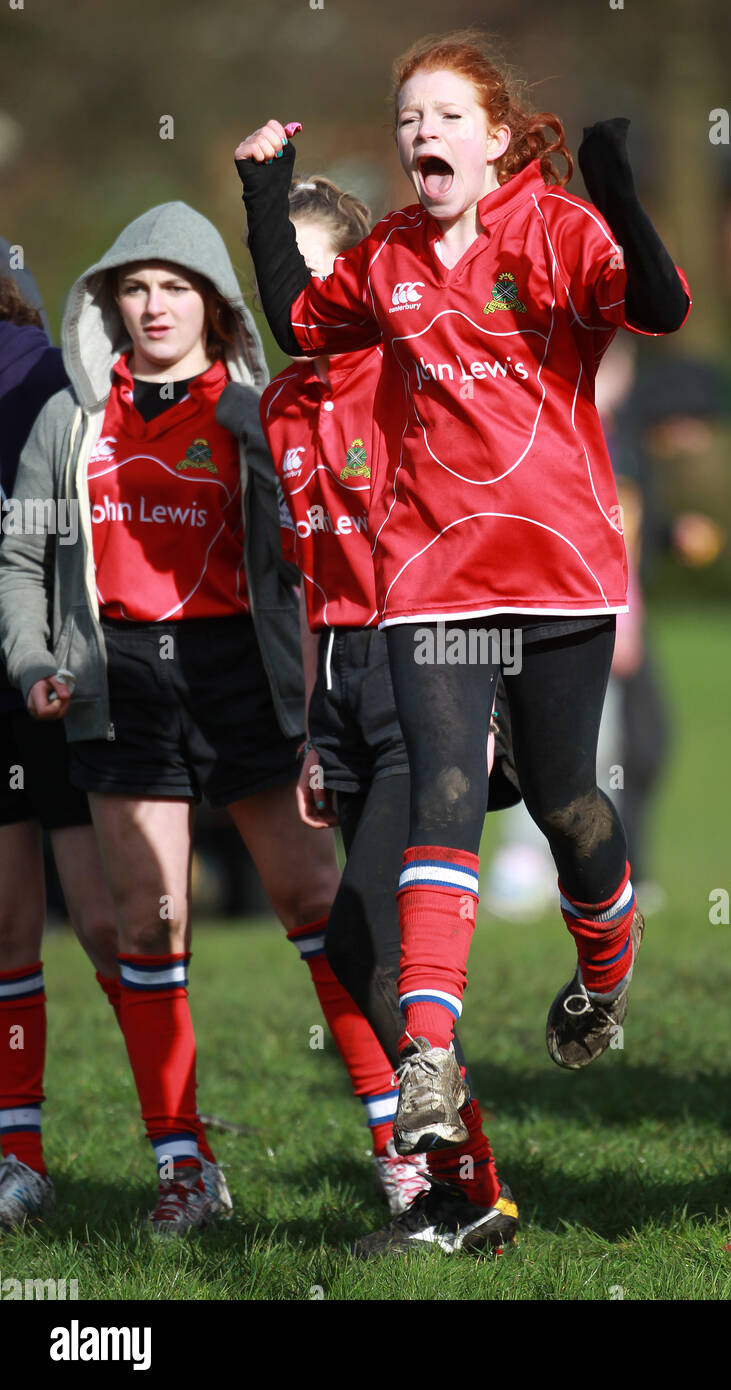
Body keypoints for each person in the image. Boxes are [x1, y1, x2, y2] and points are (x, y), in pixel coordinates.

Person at [236, 29, 690, 1156]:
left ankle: (604, 957)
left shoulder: (555, 227)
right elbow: (298, 325)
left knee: (564, 803)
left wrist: (620, 188)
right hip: (432, 572)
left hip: (557, 566)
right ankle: (431, 1052)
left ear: (494, 139)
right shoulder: (386, 255)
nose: (421, 135)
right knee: (442, 788)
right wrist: (262, 195)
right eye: (407, 122)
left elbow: (663, 305)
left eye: (444, 118)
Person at [0, 202, 405, 1235]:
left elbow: (316, 554)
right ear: (108, 304)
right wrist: (38, 660)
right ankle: (184, 1168)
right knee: (148, 922)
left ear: (215, 307)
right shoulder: (72, 420)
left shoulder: (255, 414)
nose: (153, 306)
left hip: (241, 678)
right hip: (118, 682)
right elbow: (19, 558)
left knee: (315, 901)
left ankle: (399, 1145)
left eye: (174, 288)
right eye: (133, 289)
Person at [261, 171, 517, 1254]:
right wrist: (318, 729)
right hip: (345, 683)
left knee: (371, 924)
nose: (311, 298)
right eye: (293, 276)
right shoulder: (280, 409)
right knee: (353, 940)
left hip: (433, 668)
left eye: (328, 273)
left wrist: (487, 695)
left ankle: (466, 1195)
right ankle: (470, 1196)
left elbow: (484, 535)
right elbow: (310, 580)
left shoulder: (414, 376)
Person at [0, 265, 124, 1230]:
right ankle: (21, 1161)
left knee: (103, 925)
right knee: (28, 929)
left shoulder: (47, 377)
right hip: (21, 685)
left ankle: (180, 1144)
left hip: (48, 682)